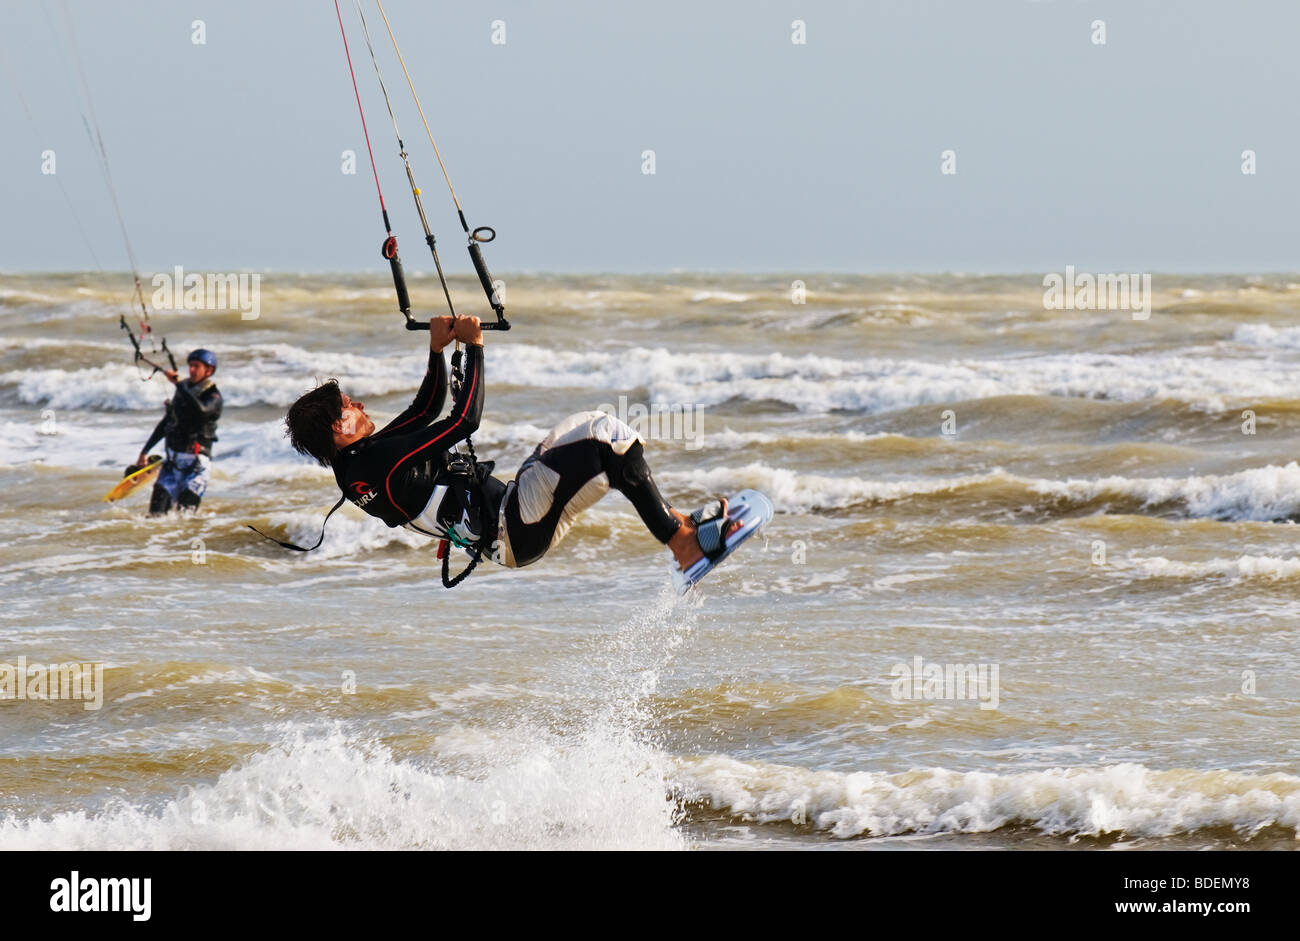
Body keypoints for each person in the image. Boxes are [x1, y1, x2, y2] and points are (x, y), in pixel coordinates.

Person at [282, 316, 741, 578]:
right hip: (513, 524)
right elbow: (464, 420)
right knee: (607, 436)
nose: (360, 404)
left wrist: (437, 349)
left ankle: (675, 523)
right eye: (349, 405)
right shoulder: (377, 459)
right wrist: (476, 347)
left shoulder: (359, 465)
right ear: (340, 427)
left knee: (585, 432)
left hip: (511, 525)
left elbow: (424, 411)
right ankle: (682, 544)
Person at [136, 348, 223, 515]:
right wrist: (144, 451)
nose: (191, 370)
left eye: (196, 366)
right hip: (171, 464)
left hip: (196, 468)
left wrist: (178, 384)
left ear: (209, 370)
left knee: (185, 519)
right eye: (190, 365)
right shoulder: (183, 392)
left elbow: (201, 411)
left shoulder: (214, 397)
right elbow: (166, 424)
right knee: (155, 518)